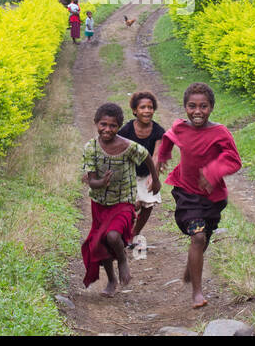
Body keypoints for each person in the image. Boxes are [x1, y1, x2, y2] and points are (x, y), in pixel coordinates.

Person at [154, 82, 242, 308]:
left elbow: (234, 160)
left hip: (212, 197)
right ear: (185, 107)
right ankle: (197, 293)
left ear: (211, 107)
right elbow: (169, 136)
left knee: (205, 236)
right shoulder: (181, 127)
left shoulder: (220, 132)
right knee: (198, 236)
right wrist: (163, 156)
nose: (197, 111)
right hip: (186, 192)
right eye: (192, 106)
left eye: (203, 106)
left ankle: (191, 266)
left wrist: (213, 172)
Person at [81, 102, 157, 296]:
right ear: (96, 123)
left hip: (123, 200)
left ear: (119, 126)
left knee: (113, 236)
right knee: (100, 243)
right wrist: (101, 182)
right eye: (103, 125)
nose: (107, 129)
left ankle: (122, 260)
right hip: (99, 203)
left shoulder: (127, 146)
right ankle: (112, 280)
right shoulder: (91, 148)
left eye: (113, 126)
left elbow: (147, 155)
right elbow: (91, 181)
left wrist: (155, 180)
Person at [118, 91, 165, 244]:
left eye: (150, 107)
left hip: (147, 173)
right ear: (135, 111)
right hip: (129, 173)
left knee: (148, 203)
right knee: (133, 204)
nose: (147, 110)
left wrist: (154, 176)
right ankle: (125, 228)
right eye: (142, 107)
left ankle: (134, 233)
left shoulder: (158, 131)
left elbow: (157, 155)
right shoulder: (126, 130)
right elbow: (119, 150)